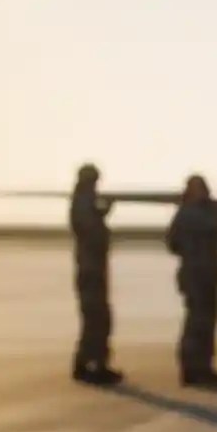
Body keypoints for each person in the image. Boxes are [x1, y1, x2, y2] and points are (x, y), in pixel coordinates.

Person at [165, 174, 217, 389]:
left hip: (199, 274)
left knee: (203, 322)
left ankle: (199, 368)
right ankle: (195, 369)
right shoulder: (199, 214)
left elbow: (172, 243)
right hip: (199, 276)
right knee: (199, 323)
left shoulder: (183, 213)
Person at [70, 163, 123, 386]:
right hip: (91, 269)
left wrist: (103, 210)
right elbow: (90, 230)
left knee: (96, 318)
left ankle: (90, 363)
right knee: (97, 318)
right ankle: (91, 364)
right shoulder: (83, 202)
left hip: (92, 267)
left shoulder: (83, 201)